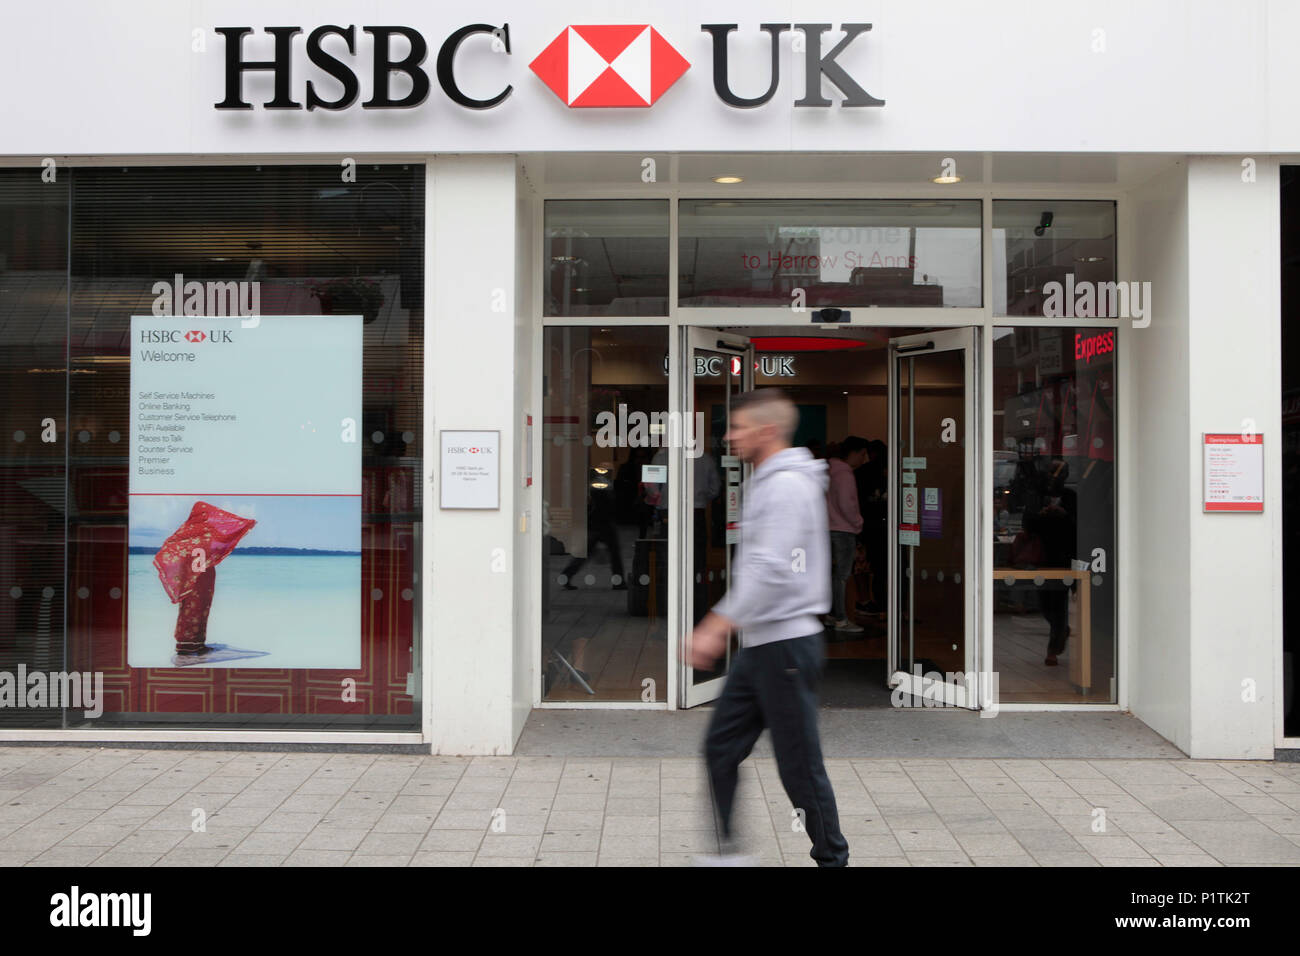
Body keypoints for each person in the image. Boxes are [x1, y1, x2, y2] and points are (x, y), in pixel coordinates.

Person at [689, 389, 850, 867]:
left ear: (766, 430)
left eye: (736, 427)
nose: (728, 435)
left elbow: (769, 565)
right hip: (763, 647)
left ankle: (833, 860)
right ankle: (728, 853)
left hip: (786, 648)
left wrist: (715, 625)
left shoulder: (785, 486)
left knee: (799, 768)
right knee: (720, 748)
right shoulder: (769, 480)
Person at [826, 436, 870, 634]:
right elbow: (846, 503)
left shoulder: (830, 471)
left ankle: (832, 614)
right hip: (843, 530)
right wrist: (858, 522)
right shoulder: (844, 475)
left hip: (829, 528)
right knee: (842, 576)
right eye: (862, 454)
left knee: (833, 575)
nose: (864, 459)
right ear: (853, 453)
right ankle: (841, 618)